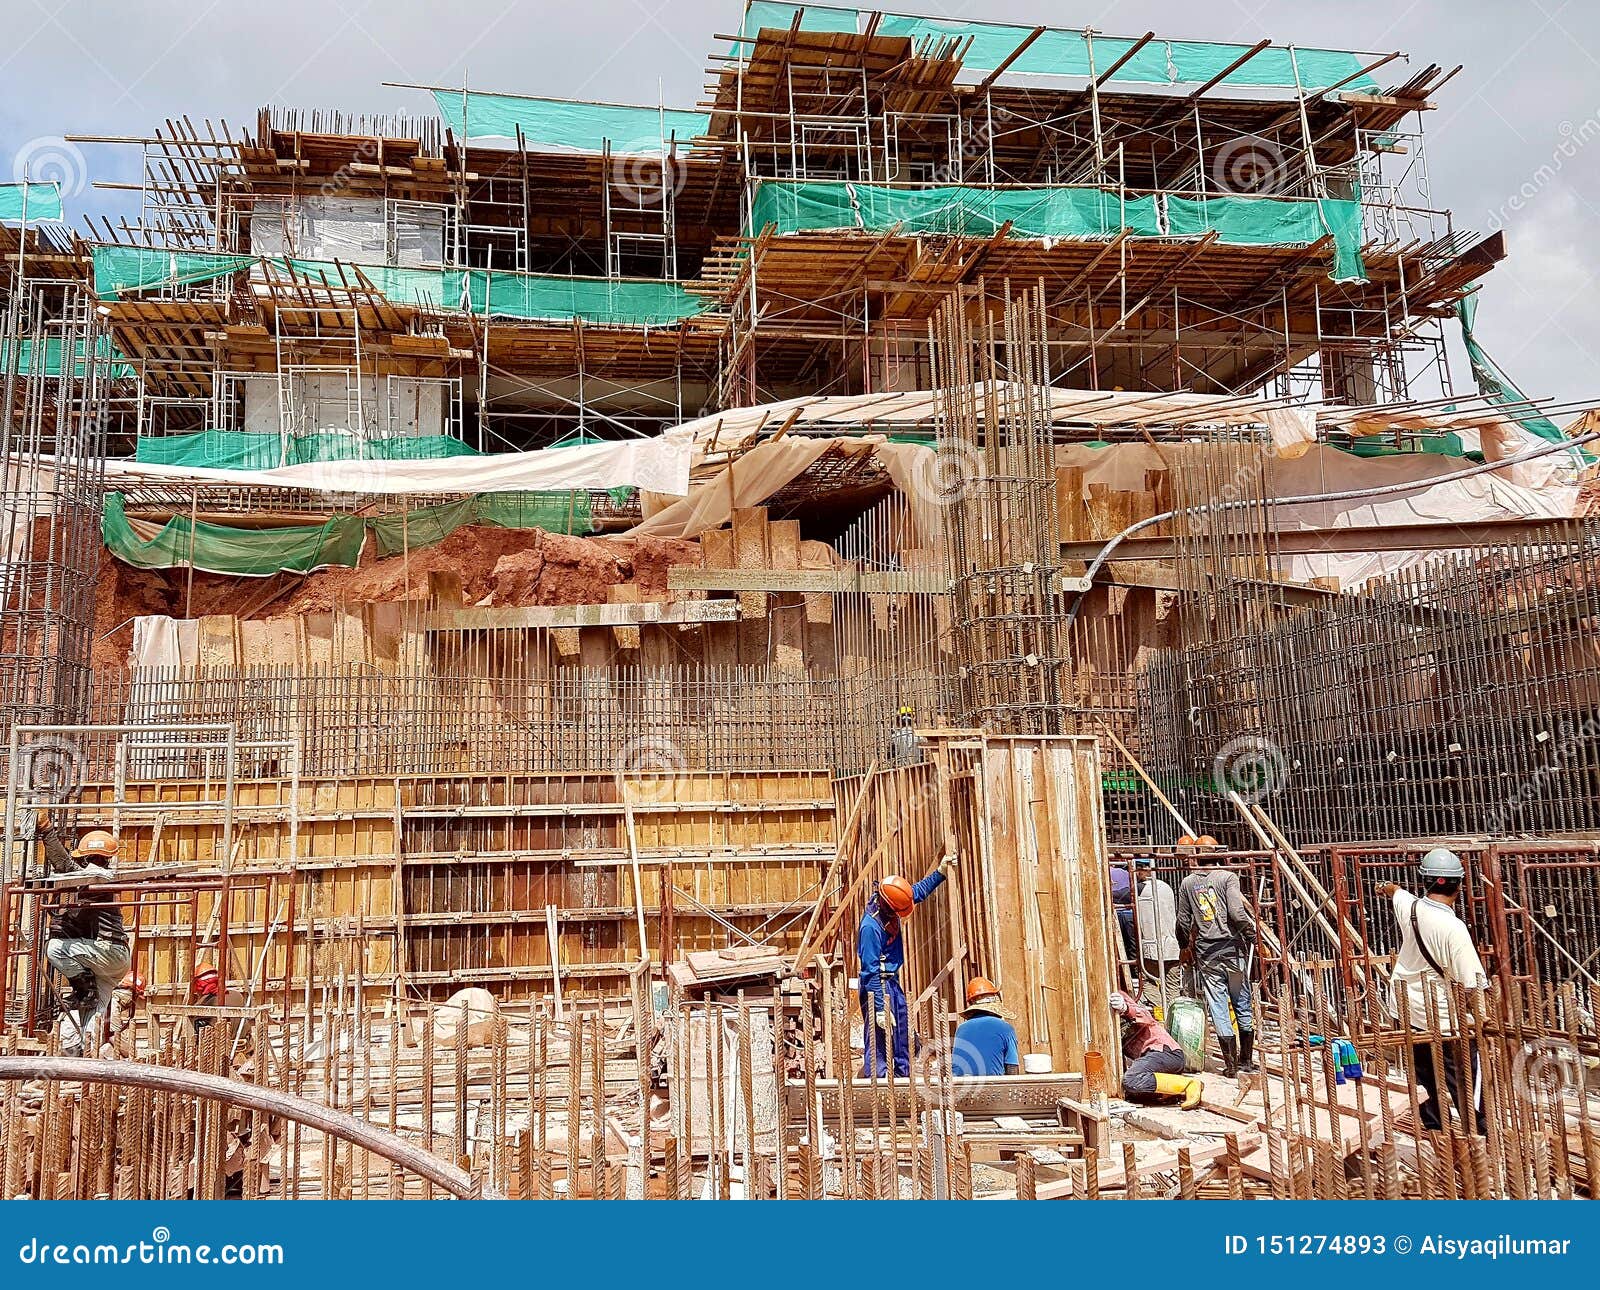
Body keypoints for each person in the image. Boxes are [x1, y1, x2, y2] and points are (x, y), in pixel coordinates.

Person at [1377, 849, 1489, 1134]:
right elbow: (1471, 985)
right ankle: (1477, 1133)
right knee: (1465, 1078)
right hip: (1442, 1017)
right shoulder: (1454, 928)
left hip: (1405, 1008)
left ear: (1425, 881)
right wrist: (1481, 1021)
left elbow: (1394, 891)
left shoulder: (1410, 908)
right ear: (1460, 886)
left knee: (1425, 1077)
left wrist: (1383, 888)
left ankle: (1434, 1132)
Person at [37, 813, 130, 1057]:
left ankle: (83, 990)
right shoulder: (106, 879)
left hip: (107, 952)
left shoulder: (94, 878)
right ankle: (84, 1059)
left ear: (87, 857)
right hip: (113, 962)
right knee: (92, 1015)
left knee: (55, 947)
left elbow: (65, 867)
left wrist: (47, 832)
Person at [857, 856, 954, 1077]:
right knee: (879, 1039)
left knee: (901, 1034)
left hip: (892, 981)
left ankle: (902, 1079)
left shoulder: (891, 897)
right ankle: (878, 1084)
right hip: (877, 986)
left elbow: (915, 893)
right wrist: (880, 1008)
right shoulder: (870, 928)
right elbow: (870, 972)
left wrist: (940, 872)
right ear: (889, 908)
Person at [1176, 851, 1257, 1077]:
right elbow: (1237, 913)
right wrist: (1252, 936)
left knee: (1219, 1006)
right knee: (1241, 1001)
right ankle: (1246, 1062)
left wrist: (1184, 946)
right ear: (1219, 856)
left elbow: (1183, 920)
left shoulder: (1188, 883)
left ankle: (1230, 1067)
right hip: (1232, 949)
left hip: (1207, 952)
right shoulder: (1227, 877)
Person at [1111, 990, 1202, 1108]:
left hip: (1165, 1053)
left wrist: (1125, 1008)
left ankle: (1188, 1084)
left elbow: (1145, 1016)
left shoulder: (1115, 996)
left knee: (1130, 1080)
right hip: (1156, 1062)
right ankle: (1170, 1093)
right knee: (1131, 1090)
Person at [1134, 857, 1182, 1014]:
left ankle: (1161, 1014)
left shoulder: (1139, 889)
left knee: (1148, 981)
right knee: (1173, 987)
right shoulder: (1166, 887)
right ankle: (1174, 1018)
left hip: (1151, 948)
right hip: (1172, 946)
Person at [952, 977, 1019, 1076]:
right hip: (992, 1087)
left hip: (962, 1086)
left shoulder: (961, 1028)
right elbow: (1012, 1068)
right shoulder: (1005, 1028)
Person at [1110, 863, 1135, 959]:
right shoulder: (1126, 873)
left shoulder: (1105, 873)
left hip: (1115, 915)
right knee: (1132, 947)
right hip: (1130, 913)